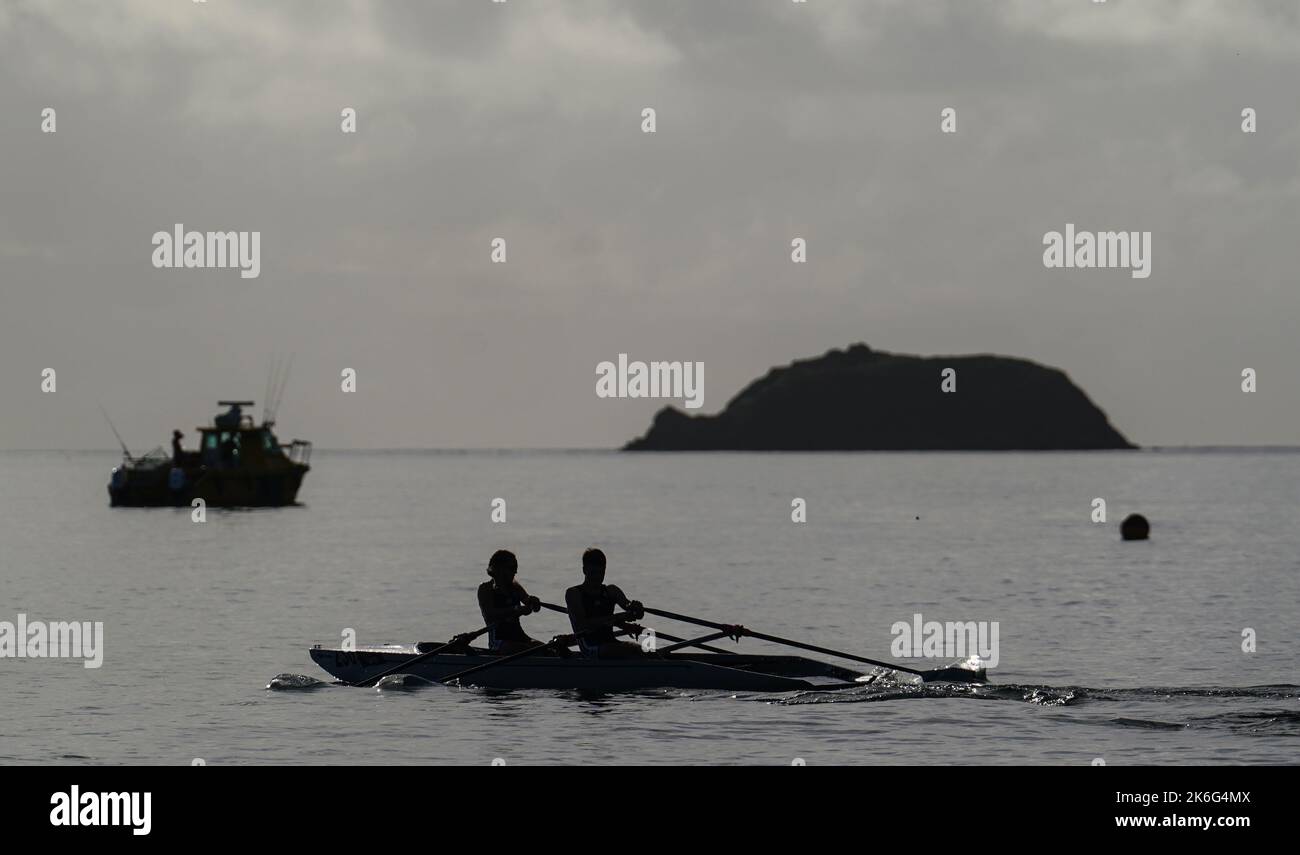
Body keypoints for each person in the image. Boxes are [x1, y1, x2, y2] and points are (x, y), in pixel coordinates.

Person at [565, 547, 646, 658]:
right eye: (593, 573)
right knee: (631, 651)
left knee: (647, 652)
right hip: (590, 647)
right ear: (584, 570)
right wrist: (618, 618)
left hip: (610, 643)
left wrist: (636, 608)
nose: (597, 577)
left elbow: (631, 608)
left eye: (600, 573)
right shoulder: (574, 594)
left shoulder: (611, 591)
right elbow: (583, 625)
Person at [477, 549, 543, 654]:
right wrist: (515, 609)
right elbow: (489, 614)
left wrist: (533, 602)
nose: (515, 572)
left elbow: (529, 604)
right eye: (512, 568)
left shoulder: (515, 586)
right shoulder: (485, 589)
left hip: (519, 636)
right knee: (525, 650)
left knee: (545, 649)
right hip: (499, 641)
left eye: (516, 568)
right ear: (499, 569)